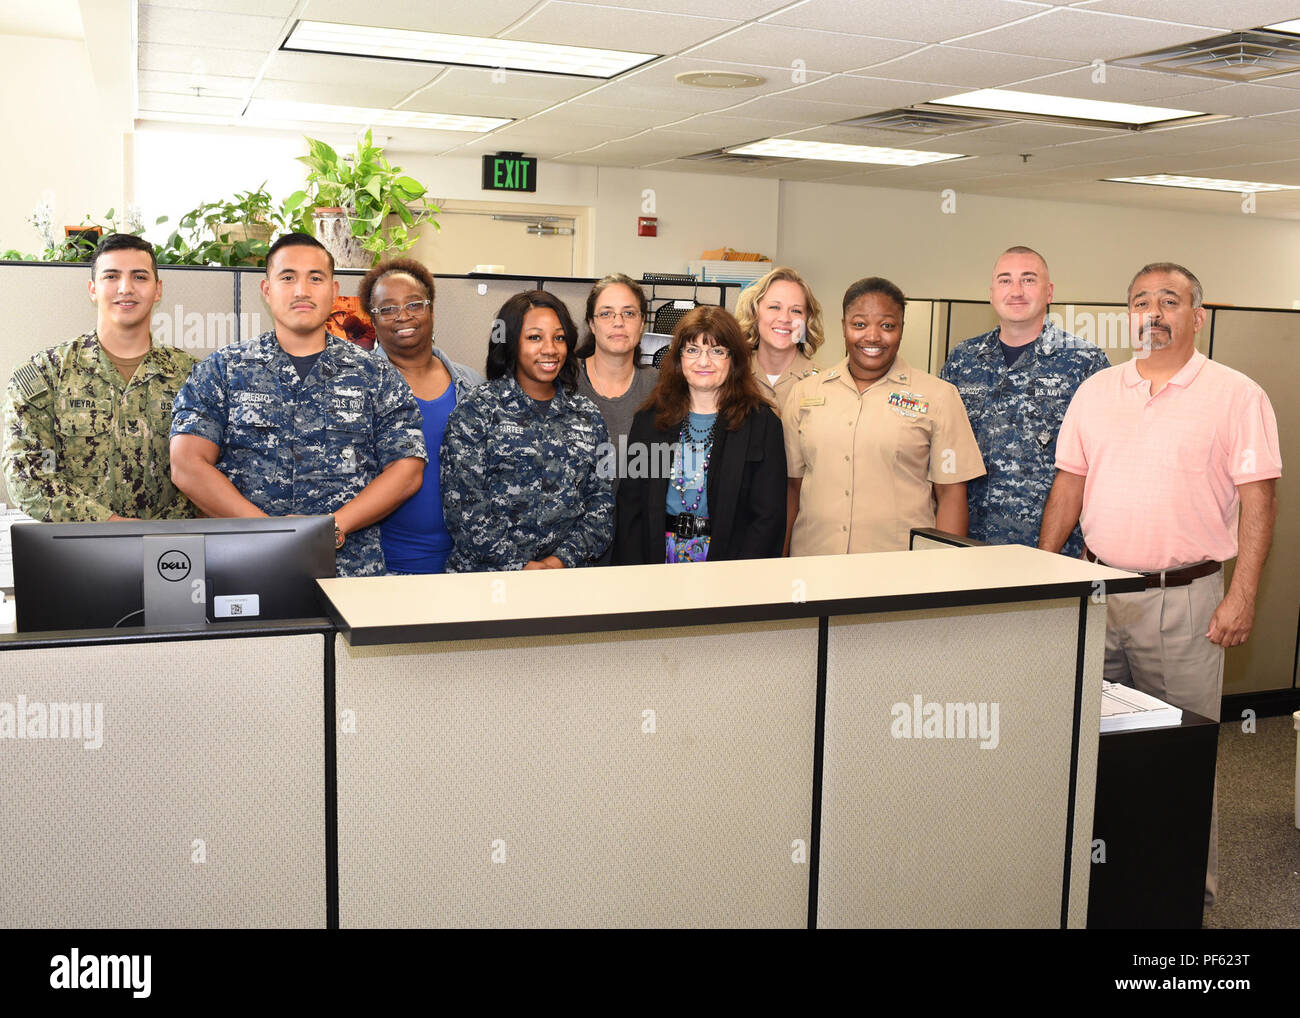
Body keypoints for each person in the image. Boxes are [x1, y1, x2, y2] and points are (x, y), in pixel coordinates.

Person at [1039, 261, 1281, 908]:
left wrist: (1245, 593)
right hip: (1097, 593)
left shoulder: (1237, 396)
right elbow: (1070, 484)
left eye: (1169, 301)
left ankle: (1184, 893)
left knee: (1182, 753)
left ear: (1196, 316)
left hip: (1187, 601)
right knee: (1095, 748)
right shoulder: (1095, 391)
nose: (1153, 311)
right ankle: (1106, 877)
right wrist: (1041, 572)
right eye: (1141, 300)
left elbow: (1260, 502)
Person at [170, 233, 426, 577]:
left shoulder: (376, 375)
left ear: (334, 292)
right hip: (244, 565)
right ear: (266, 290)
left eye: (315, 278)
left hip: (347, 570)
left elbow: (407, 470)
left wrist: (331, 528)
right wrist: (267, 531)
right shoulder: (223, 369)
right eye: (288, 277)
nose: (302, 290)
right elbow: (187, 464)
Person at [783, 277, 984, 556]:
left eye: (887, 325)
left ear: (901, 329)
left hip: (898, 574)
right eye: (859, 324)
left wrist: (944, 576)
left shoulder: (939, 397)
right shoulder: (804, 394)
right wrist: (781, 564)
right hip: (813, 564)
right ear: (844, 327)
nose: (873, 337)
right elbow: (792, 489)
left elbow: (951, 495)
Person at [2, 233, 196, 521]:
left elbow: (217, 468)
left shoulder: (193, 377)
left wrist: (158, 534)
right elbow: (25, 475)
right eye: (111, 276)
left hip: (170, 555)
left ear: (158, 290)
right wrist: (109, 525)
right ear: (93, 289)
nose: (126, 288)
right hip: (76, 553)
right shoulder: (45, 376)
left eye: (140, 277)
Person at [941, 245, 1110, 556]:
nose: (1016, 291)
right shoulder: (962, 360)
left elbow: (1108, 460)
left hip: (1054, 549)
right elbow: (941, 451)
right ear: (991, 293)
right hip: (968, 545)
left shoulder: (1085, 361)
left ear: (1049, 292)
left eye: (1028, 280)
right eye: (1005, 280)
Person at [440, 290, 613, 572]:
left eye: (558, 337)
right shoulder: (477, 410)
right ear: (510, 343)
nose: (550, 349)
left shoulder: (588, 416)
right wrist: (520, 565)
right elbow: (464, 509)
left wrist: (559, 561)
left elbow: (601, 505)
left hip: (566, 582)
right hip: (487, 583)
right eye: (535, 337)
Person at [613, 305, 786, 565]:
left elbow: (768, 518)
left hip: (731, 566)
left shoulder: (761, 424)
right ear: (679, 358)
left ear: (734, 359)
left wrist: (744, 581)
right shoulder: (651, 421)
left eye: (716, 351)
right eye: (692, 350)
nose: (703, 361)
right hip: (655, 560)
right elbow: (630, 509)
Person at [360, 257, 482, 574]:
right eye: (387, 308)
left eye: (415, 304)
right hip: (385, 569)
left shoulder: (471, 384)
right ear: (372, 320)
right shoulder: (357, 389)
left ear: (430, 309)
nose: (403, 316)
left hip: (467, 567)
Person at [734, 266, 824, 411]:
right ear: (754, 313)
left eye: (796, 310)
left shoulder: (823, 383)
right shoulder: (732, 375)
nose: (785, 318)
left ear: (807, 320)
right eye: (775, 307)